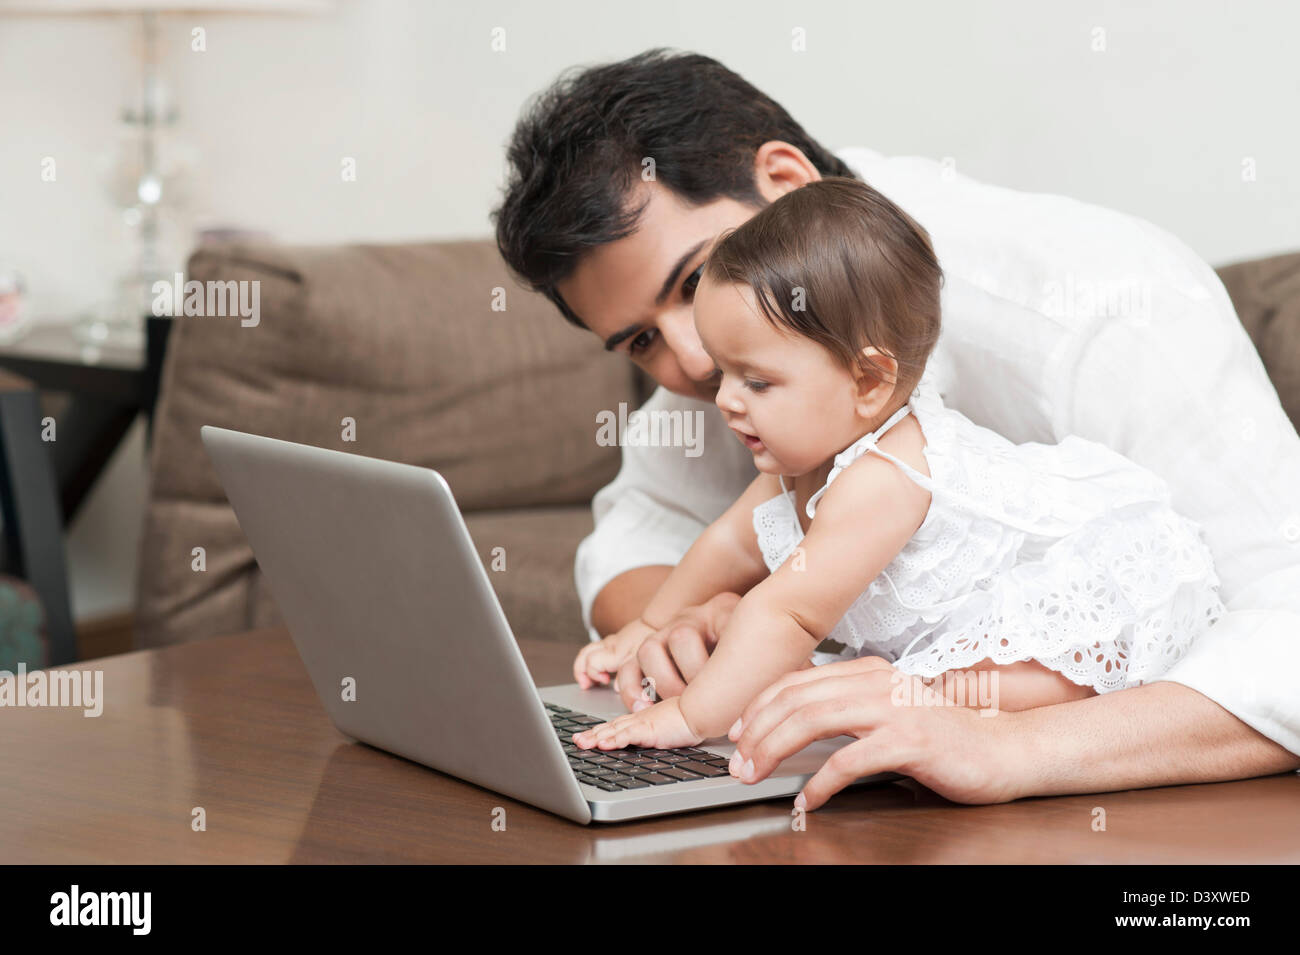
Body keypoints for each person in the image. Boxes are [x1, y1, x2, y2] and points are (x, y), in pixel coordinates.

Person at [491, 49, 1300, 809]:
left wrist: (1007, 746)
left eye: (695, 279)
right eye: (640, 341)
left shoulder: (1107, 305)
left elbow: (1287, 639)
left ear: (785, 180)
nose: (696, 361)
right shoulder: (743, 349)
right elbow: (639, 529)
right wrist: (694, 625)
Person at [568, 176, 1226, 767]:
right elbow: (728, 544)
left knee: (998, 684)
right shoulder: (799, 459)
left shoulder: (886, 472)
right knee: (905, 682)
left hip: (1098, 577)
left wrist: (689, 716)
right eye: (726, 367)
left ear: (869, 380)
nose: (725, 398)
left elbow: (789, 611)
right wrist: (648, 628)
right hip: (986, 606)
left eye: (758, 380)